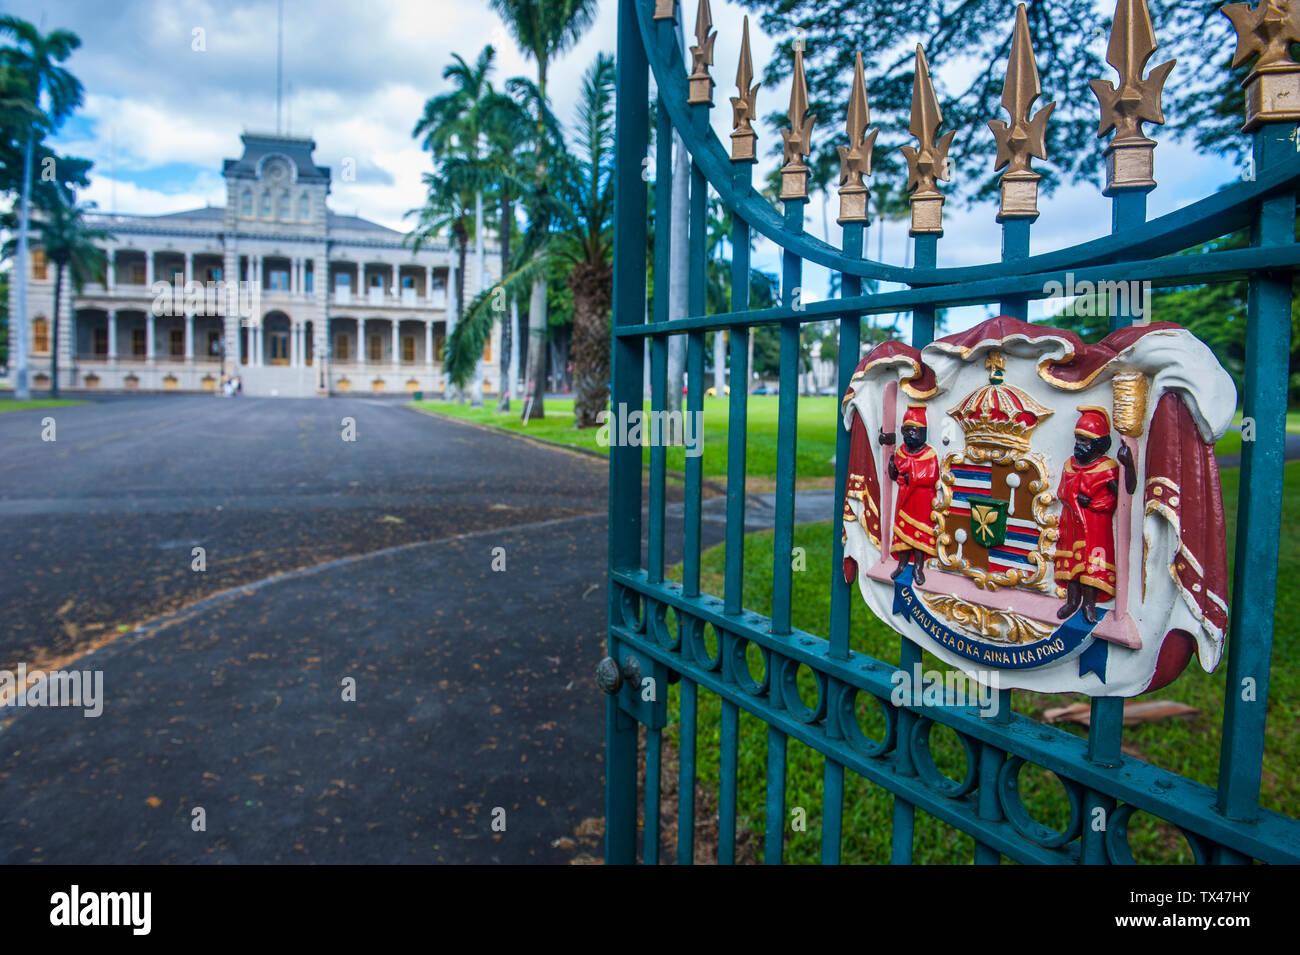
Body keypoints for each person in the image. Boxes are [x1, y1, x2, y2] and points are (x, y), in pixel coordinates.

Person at [1055, 406, 1136, 623]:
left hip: (1094, 525)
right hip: (1071, 522)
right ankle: (1072, 601)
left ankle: (1089, 604)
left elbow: (1123, 494)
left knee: (1092, 563)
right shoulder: (1069, 465)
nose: (1079, 445)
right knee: (1071, 562)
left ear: (1099, 445)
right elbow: (1062, 491)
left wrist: (1128, 466)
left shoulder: (1106, 468)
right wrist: (1073, 497)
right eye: (1078, 440)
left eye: (1085, 441)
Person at [880, 403, 939, 585]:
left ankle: (918, 566)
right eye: (906, 431)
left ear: (922, 432)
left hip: (920, 501)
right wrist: (893, 466)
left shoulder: (929, 454)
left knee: (918, 532)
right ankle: (902, 564)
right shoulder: (901, 452)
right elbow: (895, 473)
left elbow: (930, 476)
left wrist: (909, 474)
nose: (909, 436)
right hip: (904, 499)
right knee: (903, 530)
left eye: (913, 431)